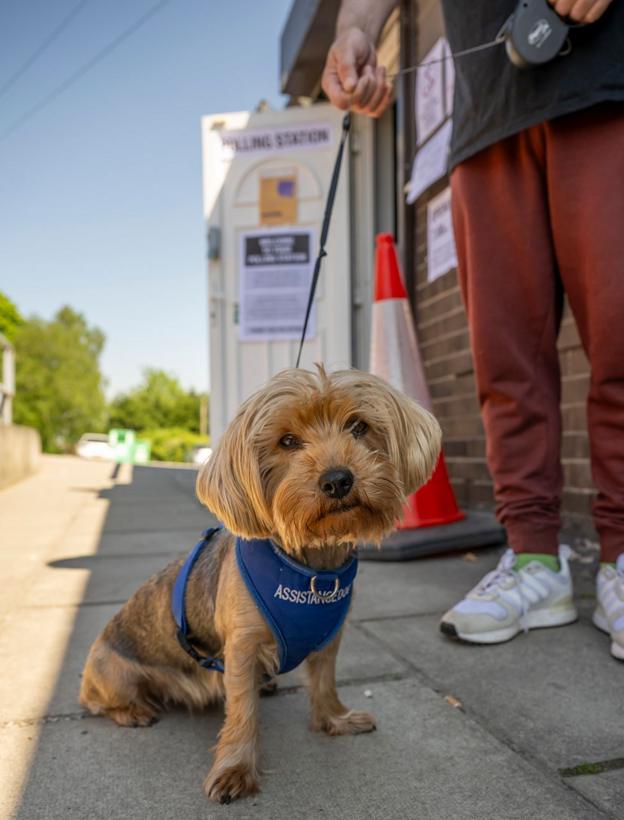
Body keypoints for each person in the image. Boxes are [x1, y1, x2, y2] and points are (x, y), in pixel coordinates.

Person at [321, 0, 624, 658]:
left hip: (608, 79)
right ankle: (535, 560)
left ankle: (622, 557)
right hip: (487, 114)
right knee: (505, 362)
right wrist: (355, 30)